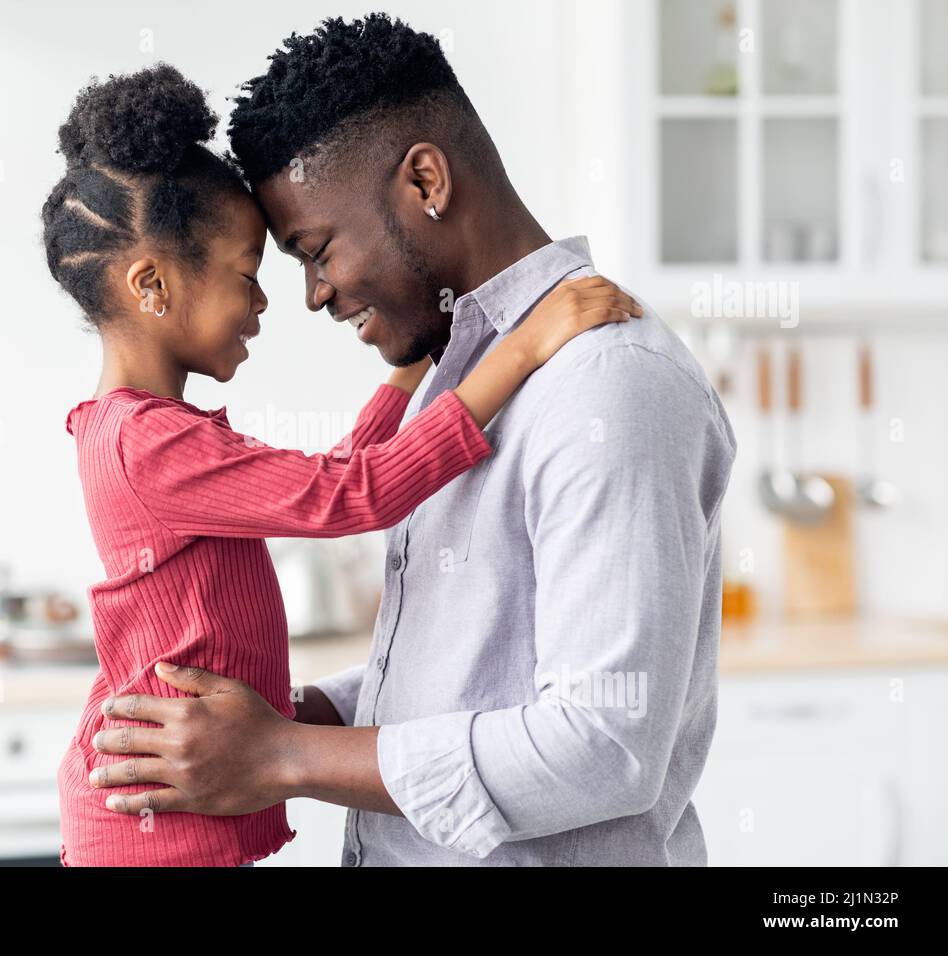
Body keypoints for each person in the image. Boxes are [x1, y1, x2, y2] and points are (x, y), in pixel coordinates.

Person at [88, 15, 737, 867]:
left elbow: (602, 742)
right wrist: (279, 723)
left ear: (425, 181)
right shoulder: (457, 376)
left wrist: (284, 756)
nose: (313, 296)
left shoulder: (606, 384)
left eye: (315, 251)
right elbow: (475, 679)